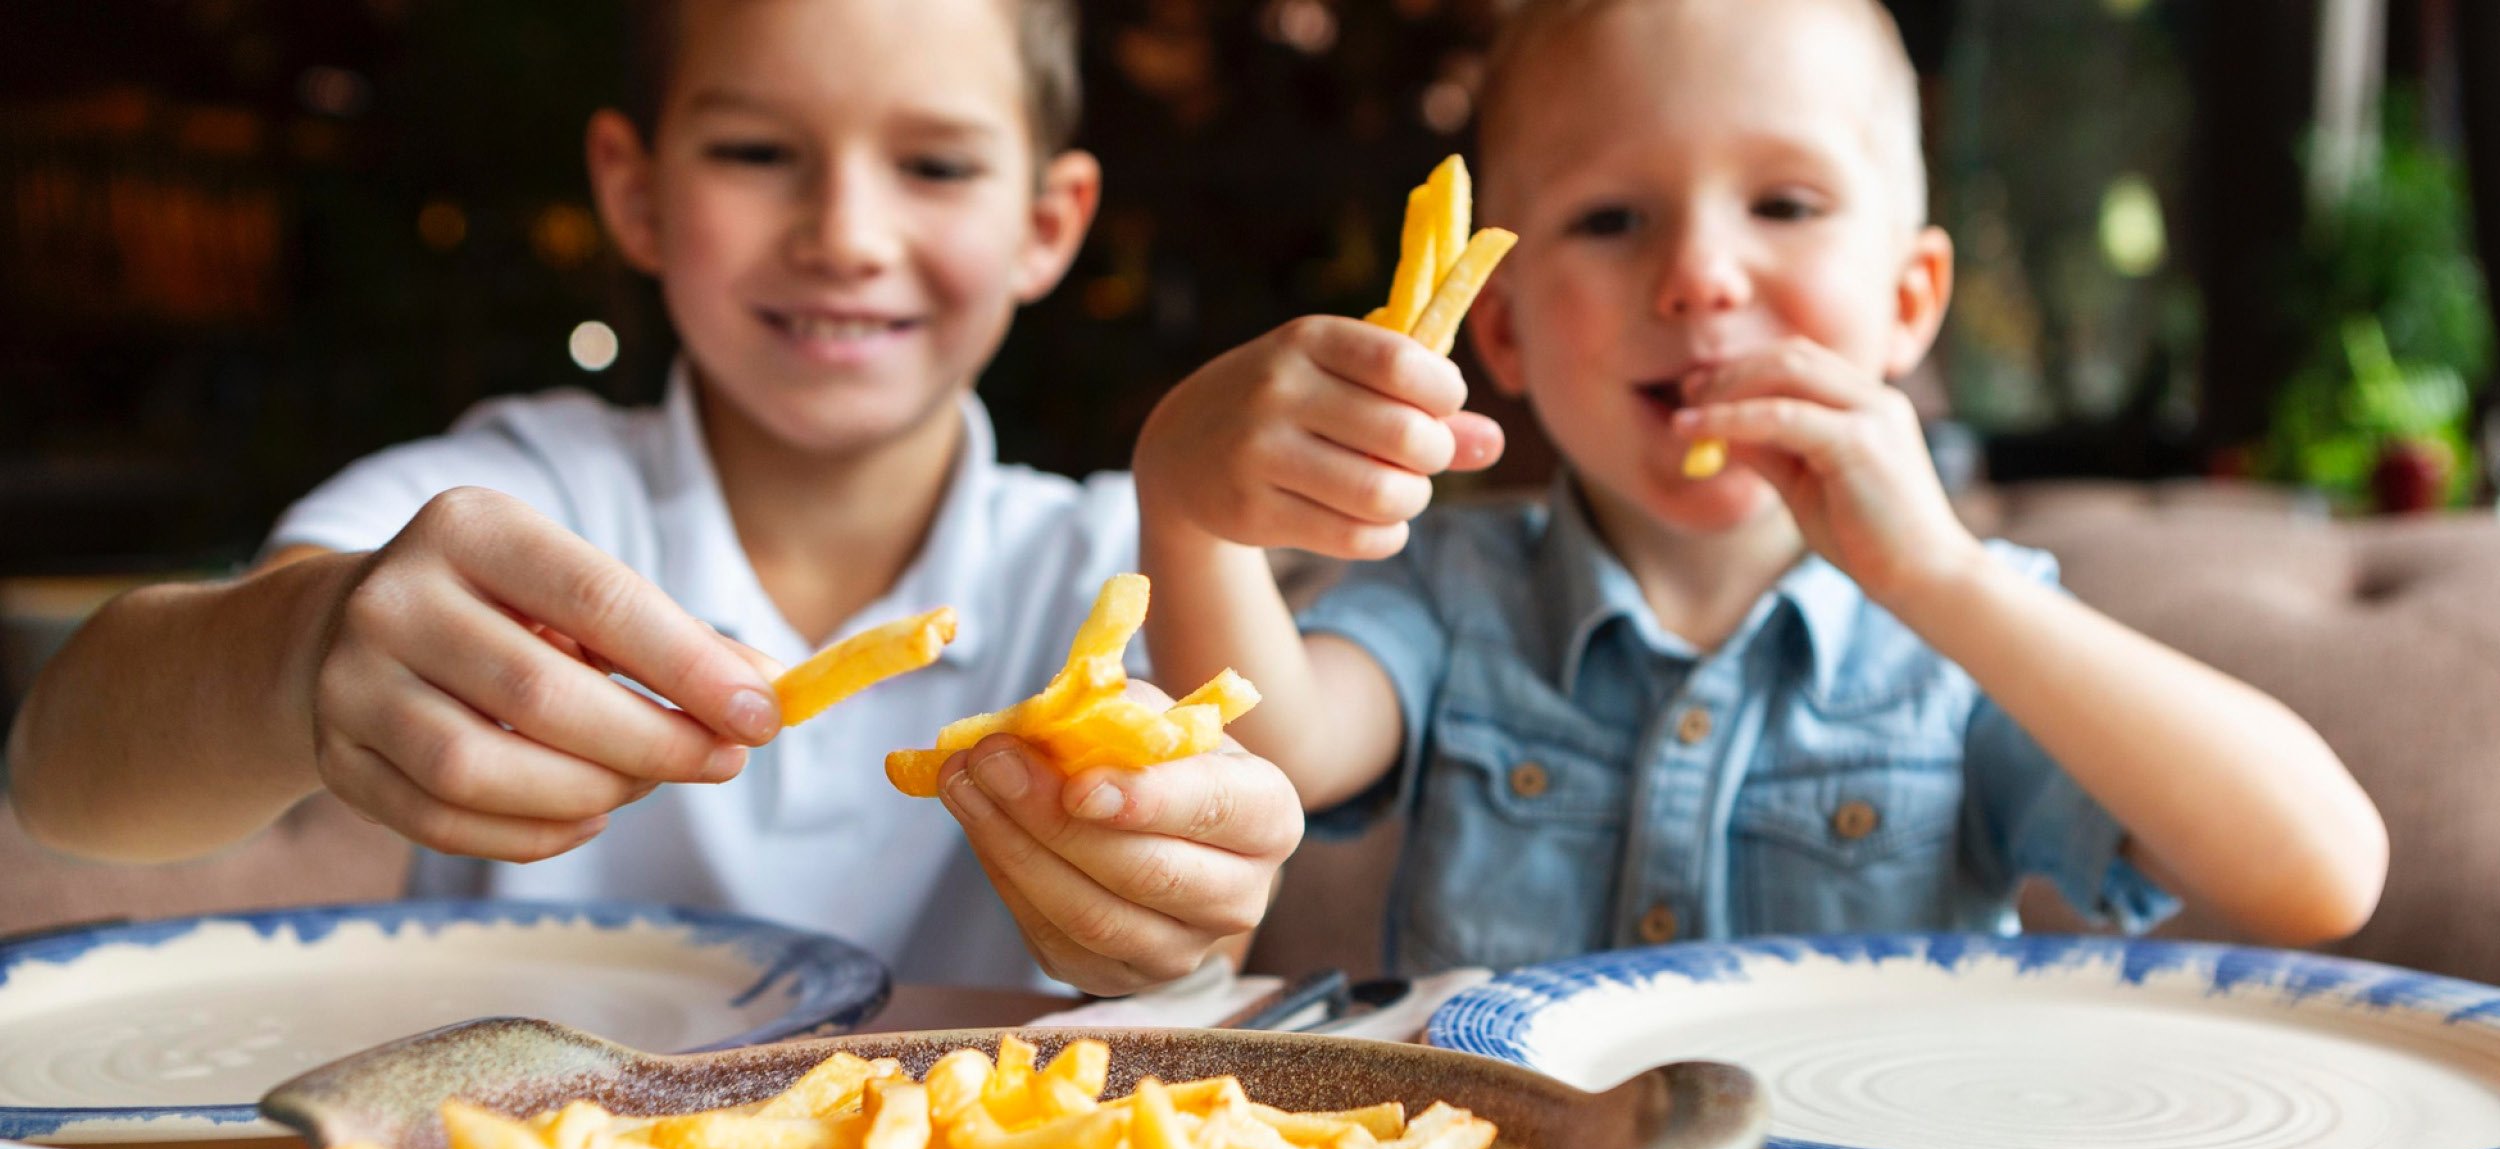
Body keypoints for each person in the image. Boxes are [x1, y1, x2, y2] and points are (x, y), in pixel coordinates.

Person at [7, 0, 1300, 995]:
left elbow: (1245, 868)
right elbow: (59, 771)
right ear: (633, 190)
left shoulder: (1118, 566)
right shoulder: (516, 499)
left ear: (1048, 221)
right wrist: (299, 657)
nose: (845, 231)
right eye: (755, 150)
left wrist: (1182, 896)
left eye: (937, 166)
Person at [1131, 0, 2386, 974]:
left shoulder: (1964, 638)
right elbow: (1267, 761)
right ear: (1501, 334)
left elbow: (2319, 872)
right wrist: (1188, 513)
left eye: (1783, 203)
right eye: (1612, 220)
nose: (1699, 276)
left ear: (1907, 304)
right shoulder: (1457, 595)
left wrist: (1942, 578)